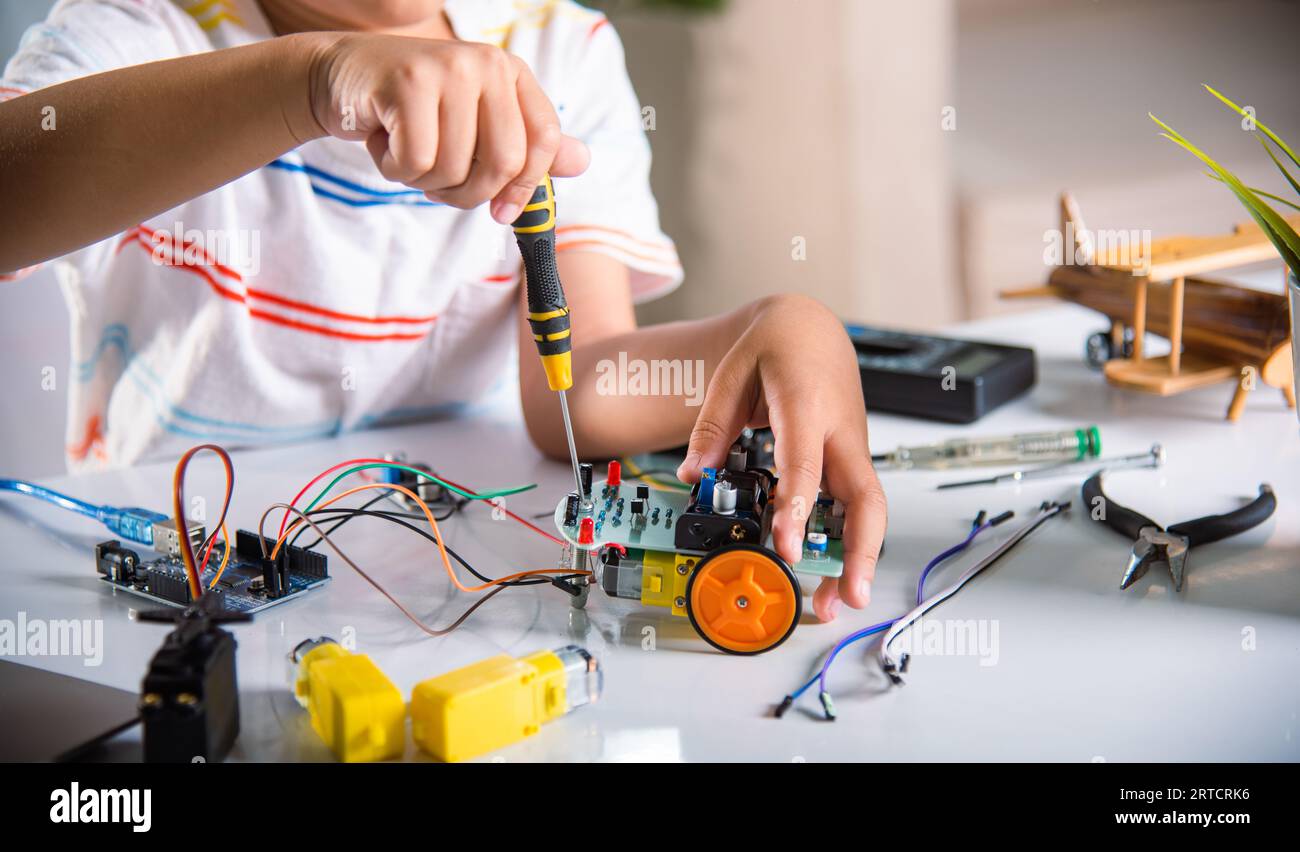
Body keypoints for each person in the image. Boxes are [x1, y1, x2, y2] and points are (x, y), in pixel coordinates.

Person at [0, 0, 886, 621]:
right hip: (188, 592)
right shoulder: (137, 35)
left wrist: (768, 333)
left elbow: (578, 395)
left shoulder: (560, 51)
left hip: (461, 589)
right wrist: (310, 85)